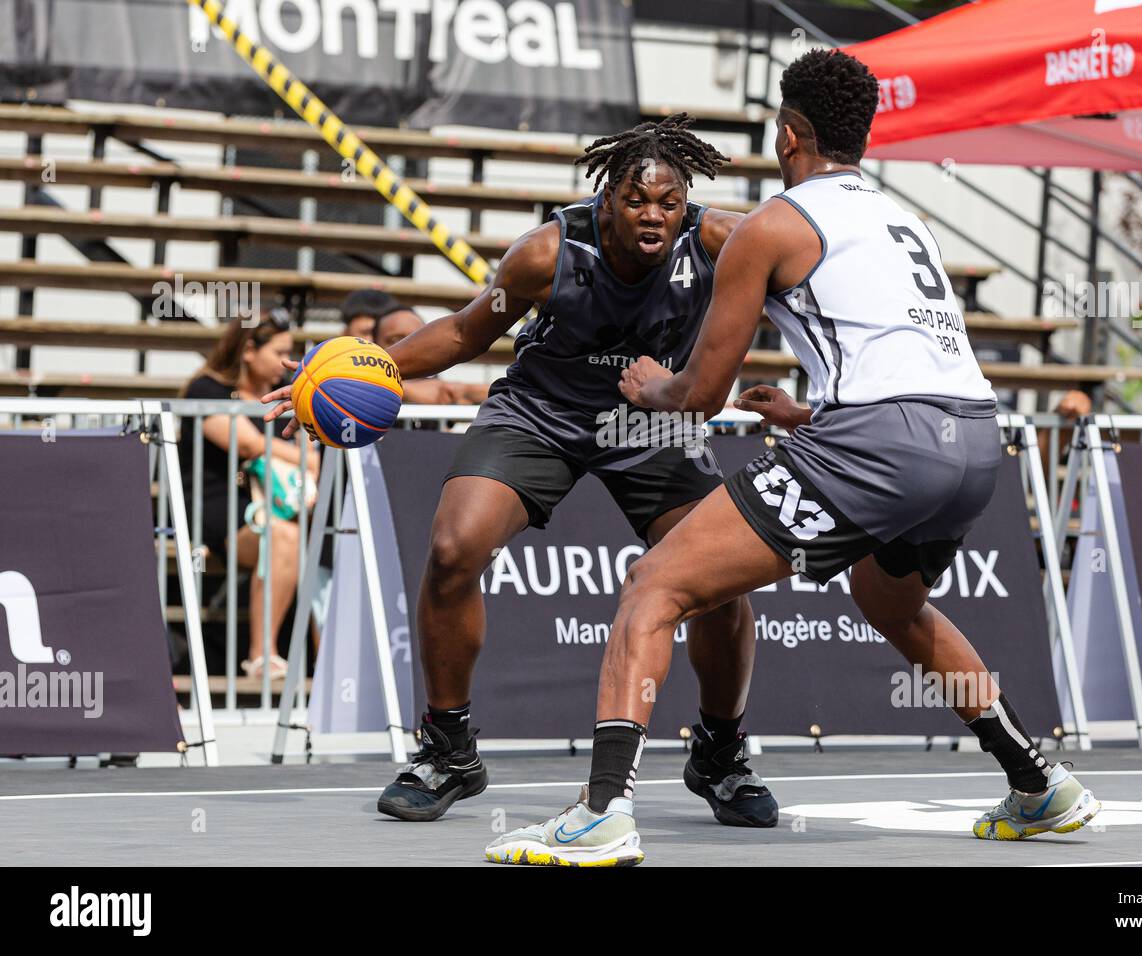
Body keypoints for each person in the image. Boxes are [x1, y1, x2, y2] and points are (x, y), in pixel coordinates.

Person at [487, 50, 1100, 866]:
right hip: (973, 441)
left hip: (877, 448)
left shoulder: (772, 225)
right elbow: (913, 364)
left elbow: (701, 394)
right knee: (891, 603)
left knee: (655, 583)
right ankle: (1038, 782)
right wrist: (811, 411)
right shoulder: (902, 219)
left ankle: (601, 813)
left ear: (788, 133)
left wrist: (651, 386)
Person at [264, 113, 779, 829]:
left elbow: (805, 289)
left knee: (721, 583)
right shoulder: (547, 253)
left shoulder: (721, 241)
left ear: (685, 201)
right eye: (636, 201)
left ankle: (720, 756)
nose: (654, 215)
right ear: (607, 201)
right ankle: (448, 750)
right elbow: (464, 332)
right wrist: (349, 369)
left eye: (668, 201)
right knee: (453, 550)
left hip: (653, 422)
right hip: (540, 412)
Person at [180, 312, 317, 679]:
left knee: (326, 540)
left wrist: (306, 459)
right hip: (217, 506)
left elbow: (307, 453)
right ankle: (262, 654)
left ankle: (328, 663)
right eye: (281, 352)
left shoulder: (287, 394)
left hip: (271, 505)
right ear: (249, 350)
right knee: (285, 536)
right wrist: (306, 459)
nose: (289, 364)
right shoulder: (207, 389)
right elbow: (248, 444)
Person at [371, 307, 490, 405]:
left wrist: (459, 391)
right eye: (396, 340)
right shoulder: (363, 387)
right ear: (374, 344)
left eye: (417, 338)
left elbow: (495, 394)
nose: (409, 347)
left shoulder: (445, 390)